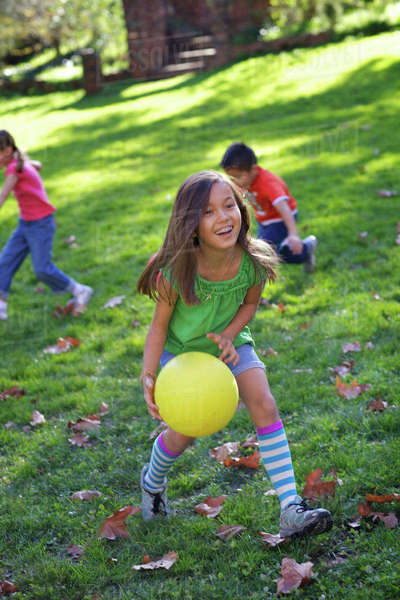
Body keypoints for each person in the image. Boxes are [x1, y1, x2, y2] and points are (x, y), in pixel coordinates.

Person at [136, 170, 332, 538]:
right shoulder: (177, 270)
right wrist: (149, 373)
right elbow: (158, 327)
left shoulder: (253, 261)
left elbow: (250, 305)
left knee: (264, 402)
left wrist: (228, 335)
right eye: (208, 212)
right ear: (190, 224)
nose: (224, 217)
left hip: (232, 344)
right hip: (183, 356)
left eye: (229, 206)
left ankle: (290, 507)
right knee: (184, 434)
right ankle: (152, 480)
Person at [0, 130, 93, 321]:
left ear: (8, 150)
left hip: (40, 224)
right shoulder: (19, 162)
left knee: (42, 269)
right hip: (25, 222)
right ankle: (1, 306)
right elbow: (38, 165)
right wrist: (31, 164)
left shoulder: (13, 169)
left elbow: (3, 195)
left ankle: (80, 290)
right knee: (4, 263)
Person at [221, 142, 317, 272]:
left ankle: (257, 283)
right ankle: (305, 252)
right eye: (231, 177)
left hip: (280, 219)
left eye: (238, 177)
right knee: (274, 253)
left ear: (254, 169)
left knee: (261, 253)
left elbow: (284, 208)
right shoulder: (244, 181)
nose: (234, 181)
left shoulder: (268, 183)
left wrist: (293, 234)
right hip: (264, 221)